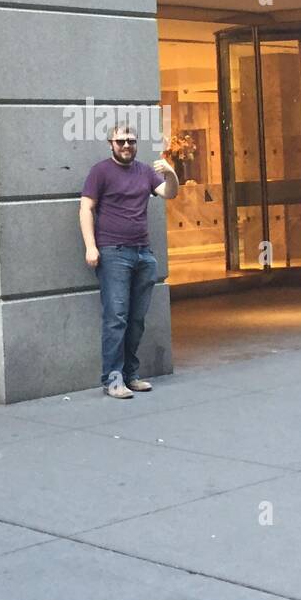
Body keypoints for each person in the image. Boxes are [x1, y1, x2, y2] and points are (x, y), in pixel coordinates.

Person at [79, 124, 179, 399]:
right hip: (113, 252)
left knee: (136, 319)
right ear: (111, 143)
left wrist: (171, 173)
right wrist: (91, 246)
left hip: (143, 253)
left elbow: (170, 193)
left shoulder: (145, 171)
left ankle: (130, 374)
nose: (126, 146)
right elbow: (86, 207)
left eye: (131, 141)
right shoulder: (101, 171)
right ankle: (112, 378)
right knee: (116, 317)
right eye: (121, 141)